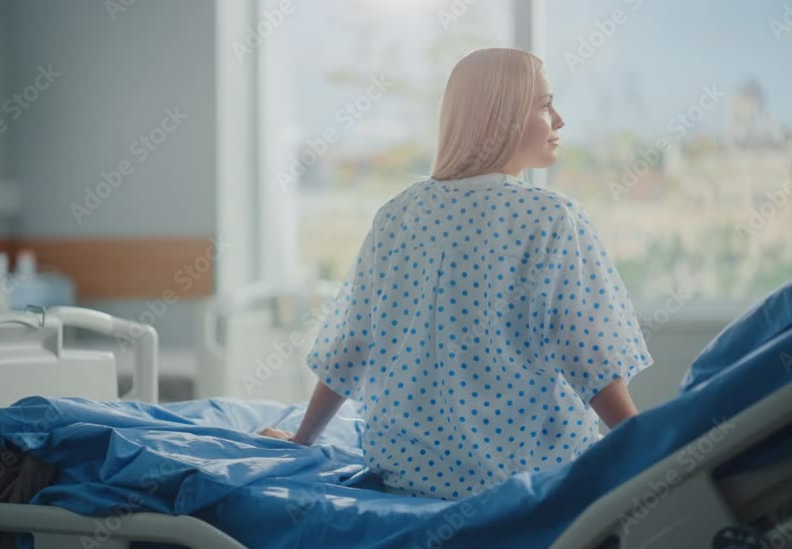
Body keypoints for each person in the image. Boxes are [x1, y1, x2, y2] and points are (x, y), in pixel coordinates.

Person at [260, 47, 651, 500]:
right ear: (498, 117)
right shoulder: (551, 219)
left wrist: (303, 439)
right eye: (544, 104)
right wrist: (650, 449)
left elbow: (352, 345)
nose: (559, 119)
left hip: (407, 477)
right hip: (524, 481)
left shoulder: (397, 214)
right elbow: (591, 361)